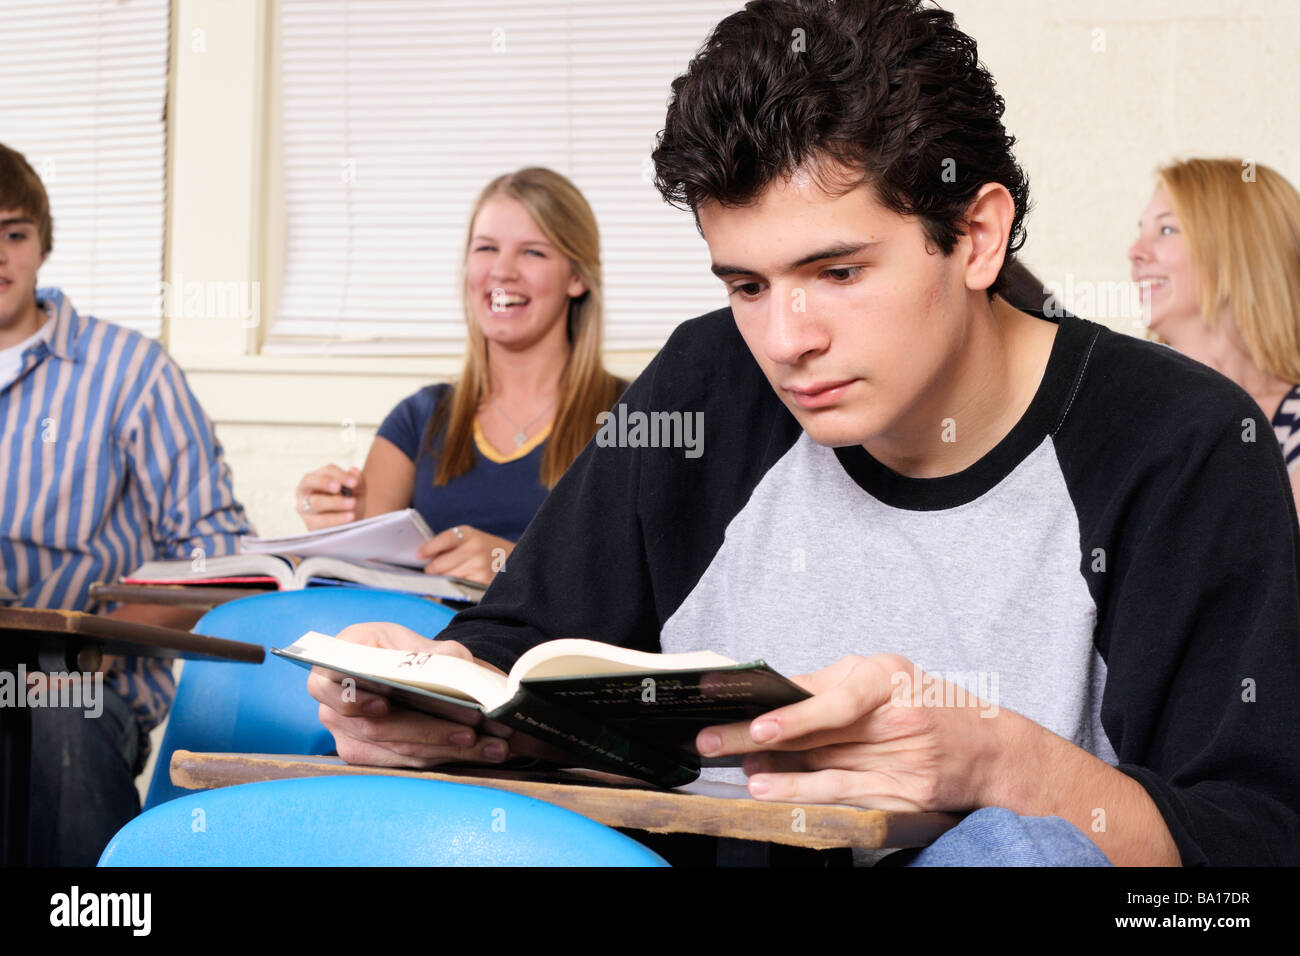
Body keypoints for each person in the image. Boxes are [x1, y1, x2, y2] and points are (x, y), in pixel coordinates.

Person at [308, 0, 1300, 866]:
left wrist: (1004, 760)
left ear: (976, 236)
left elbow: (1251, 841)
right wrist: (433, 697)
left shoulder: (1183, 445)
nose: (786, 341)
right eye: (746, 284)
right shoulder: (704, 385)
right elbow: (515, 648)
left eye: (837, 273)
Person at [0, 142, 254, 864]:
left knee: (47, 703)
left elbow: (223, 556)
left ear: (43, 244)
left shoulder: (130, 372)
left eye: (13, 233)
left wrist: (99, 641)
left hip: (85, 684)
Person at [294, 168, 625, 585]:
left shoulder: (631, 416)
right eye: (486, 248)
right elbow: (361, 573)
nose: (502, 271)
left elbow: (647, 585)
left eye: (533, 252)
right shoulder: (419, 419)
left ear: (576, 277)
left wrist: (513, 564)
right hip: (423, 643)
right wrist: (338, 521)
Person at [1129, 157, 1300, 512]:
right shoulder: (1126, 412)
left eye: (1166, 230)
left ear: (1239, 251)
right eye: (1140, 231)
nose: (1135, 253)